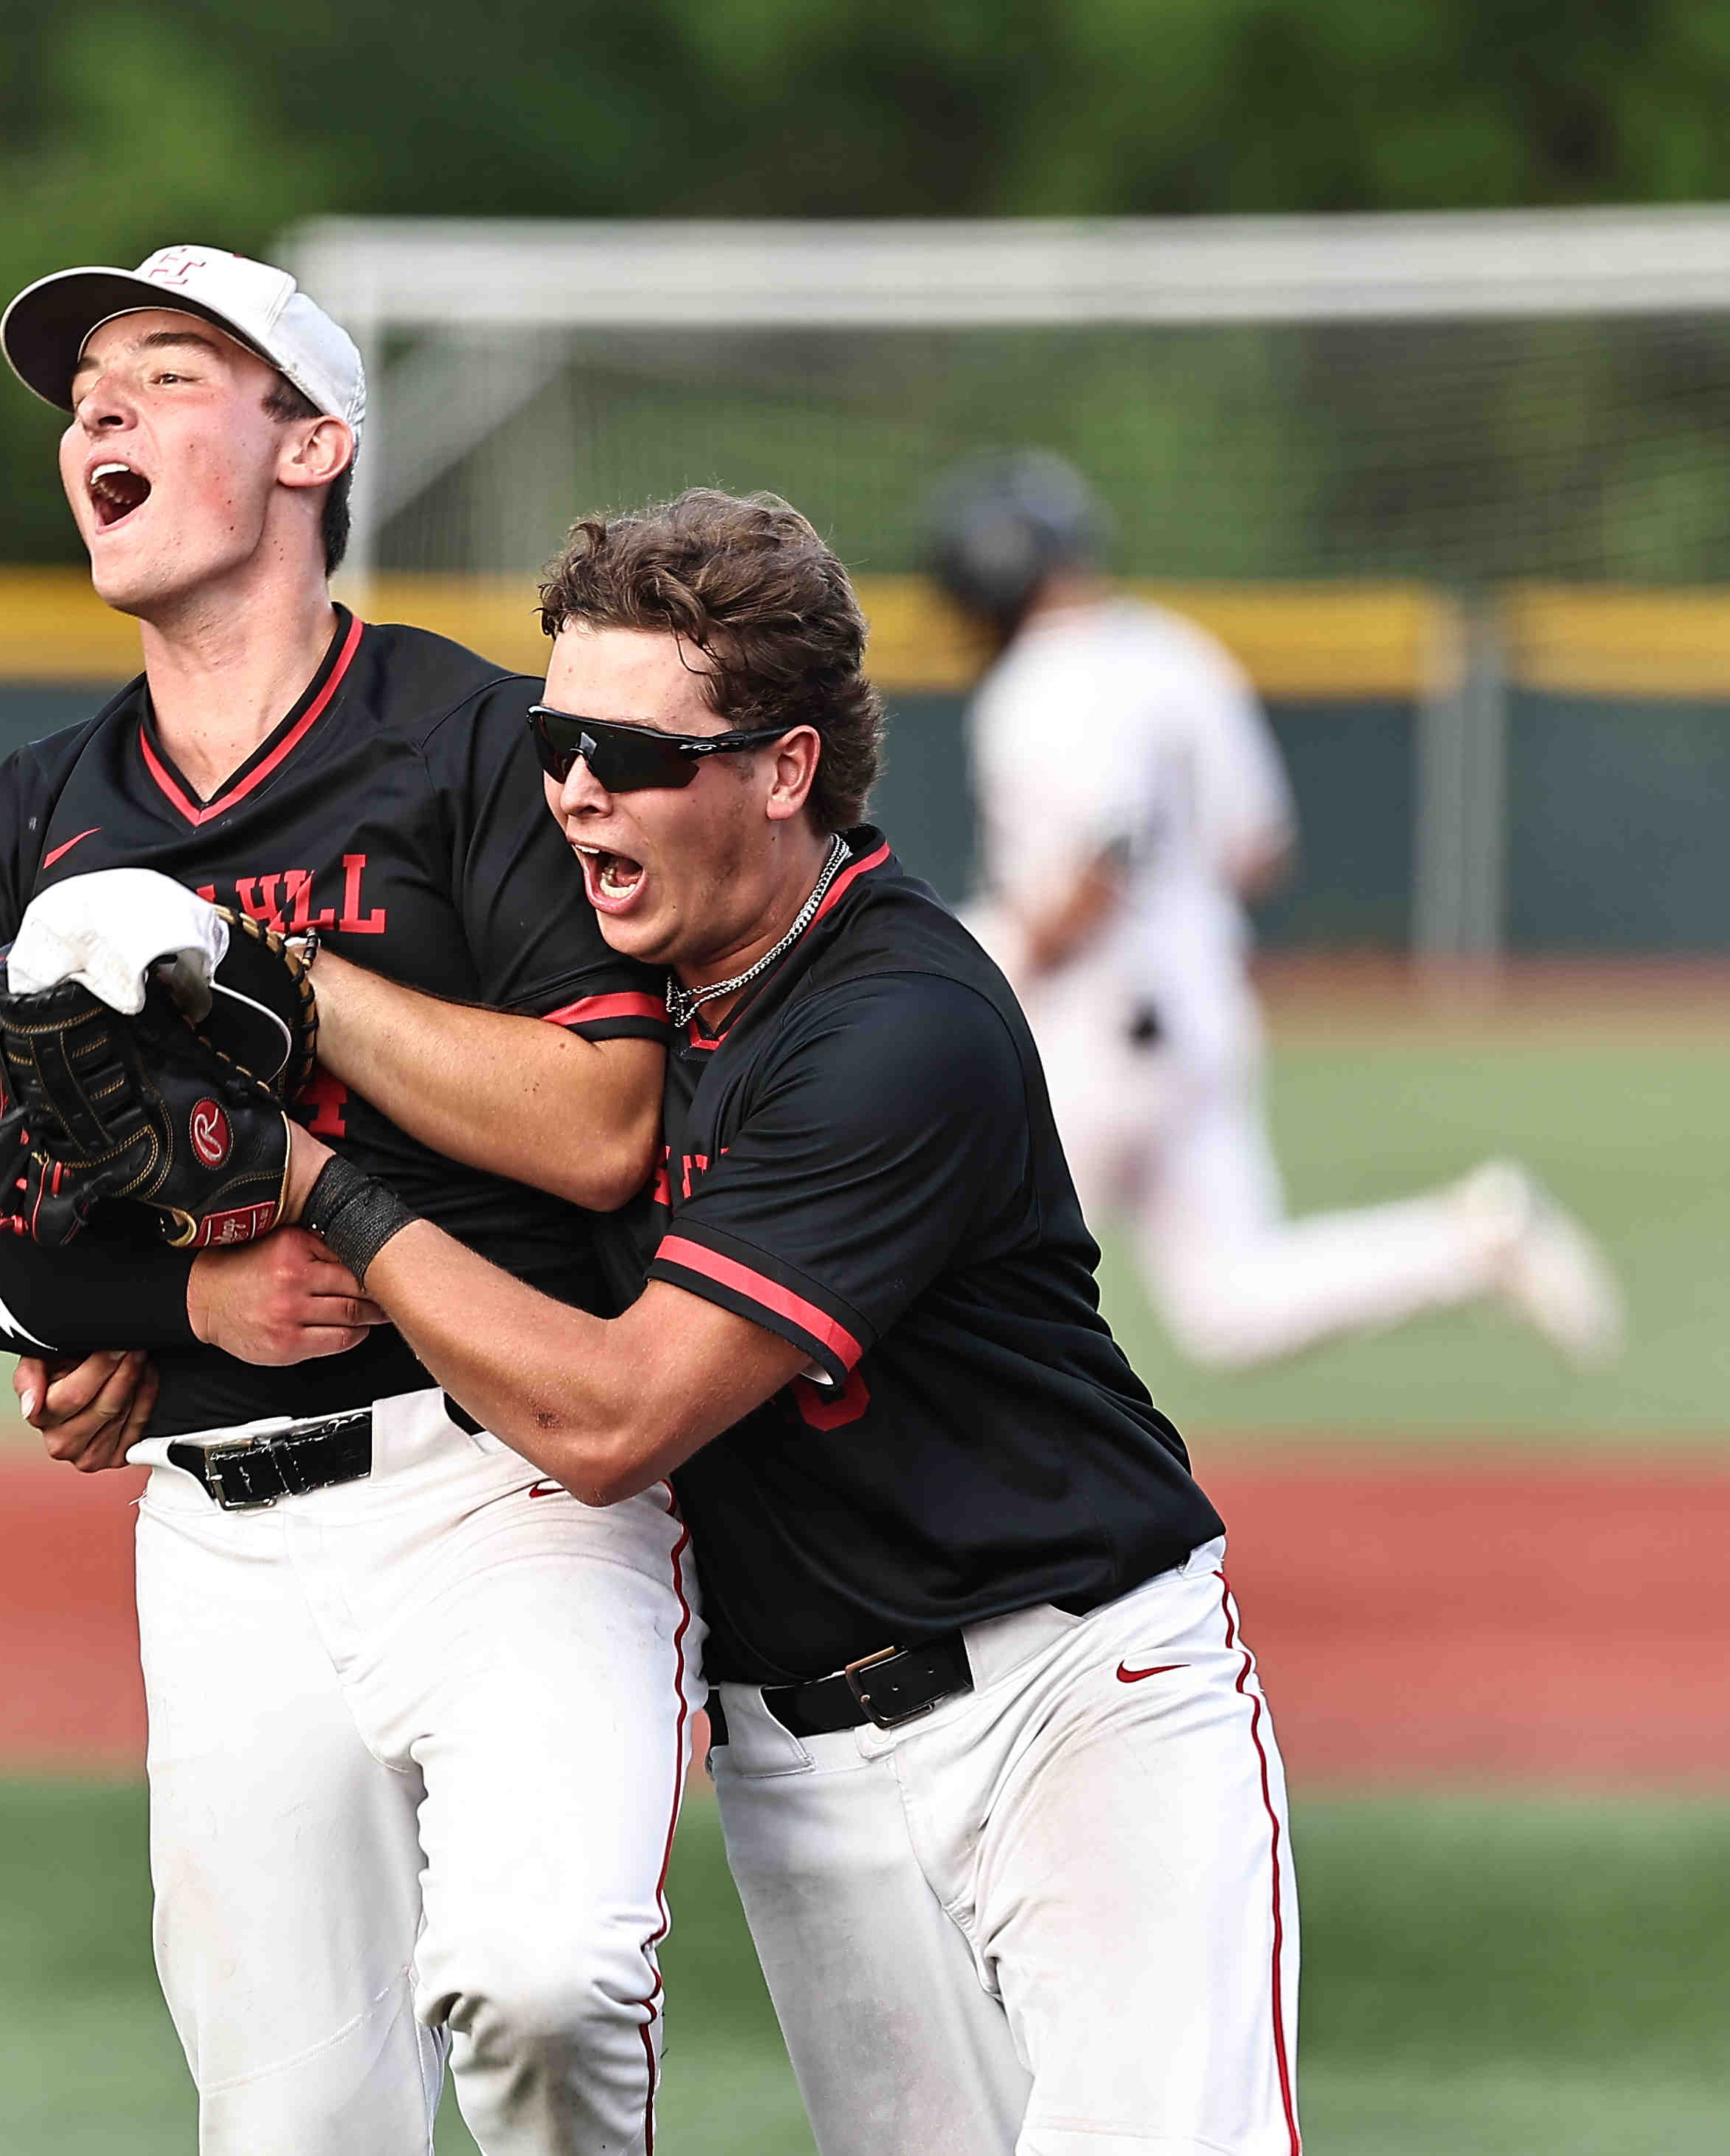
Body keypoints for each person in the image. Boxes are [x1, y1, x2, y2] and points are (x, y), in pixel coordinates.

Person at [274, 489, 1307, 2155]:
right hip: (797, 1763)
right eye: (556, 746)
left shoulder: (900, 1025)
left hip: (1067, 1708)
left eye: (633, 753)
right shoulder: (590, 1022)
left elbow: (613, 1419)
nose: (576, 791)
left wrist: (311, 1174)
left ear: (782, 769)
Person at [0, 245, 700, 2156]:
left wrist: (259, 970)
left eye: (170, 376)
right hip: (221, 1538)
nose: (100, 410)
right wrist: (180, 1315)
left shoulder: (480, 743)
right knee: (295, 2125)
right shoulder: (21, 829)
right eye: (86, 392)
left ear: (314, 445)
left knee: (546, 1983)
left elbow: (605, 1124)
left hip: (506, 1486)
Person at [923, 449, 1622, 1373]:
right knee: (1232, 1304)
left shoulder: (1038, 684)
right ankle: (1474, 1242)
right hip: (1202, 1005)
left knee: (963, 1298)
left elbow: (1097, 867)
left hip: (1088, 1034)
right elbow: (1257, 847)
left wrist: (984, 950)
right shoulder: (1175, 650)